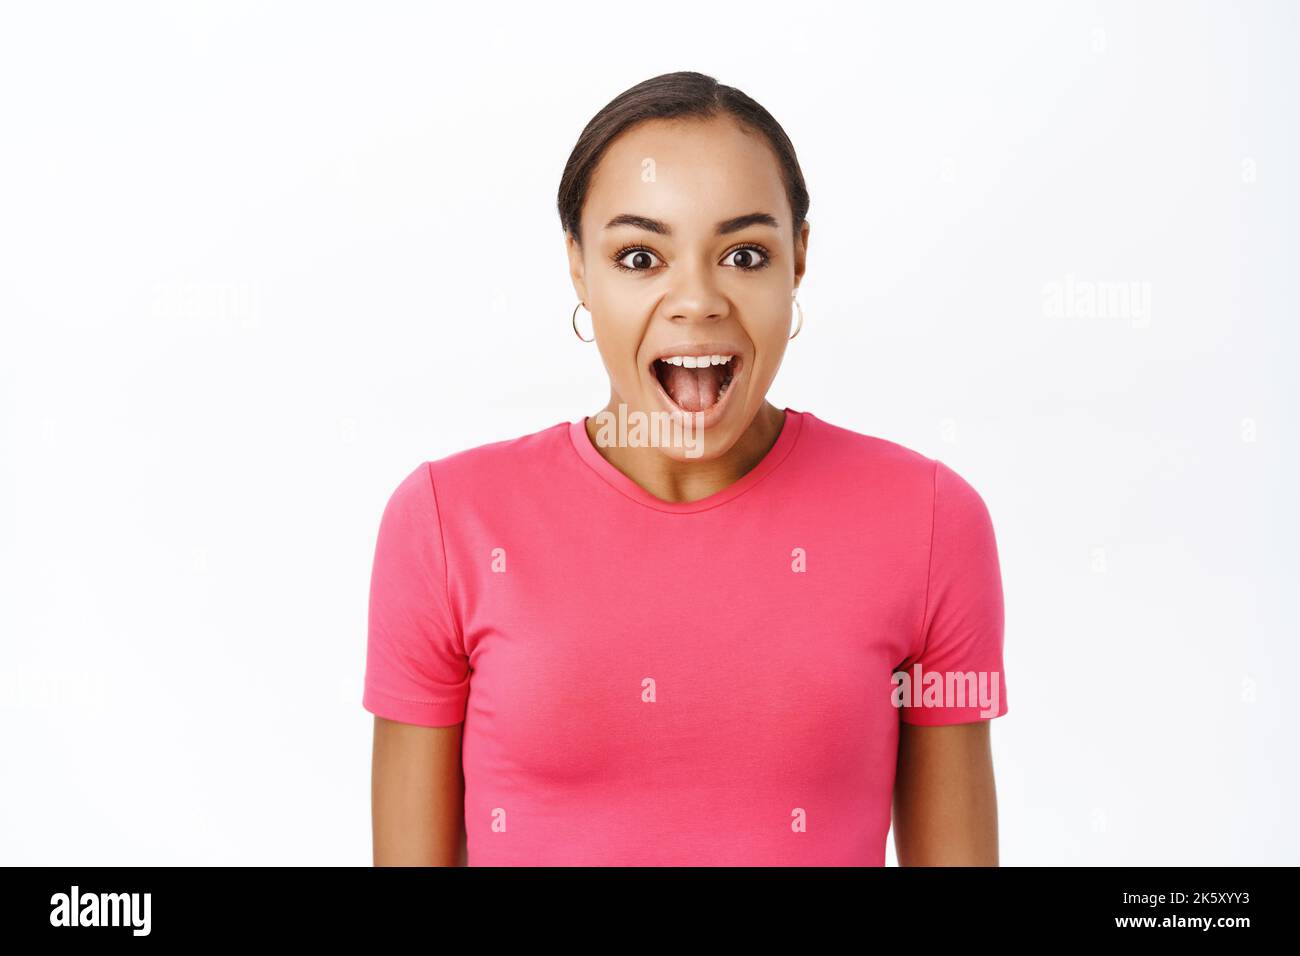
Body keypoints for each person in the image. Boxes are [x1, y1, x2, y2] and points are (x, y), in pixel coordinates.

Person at [365, 70, 1008, 866]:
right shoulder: (442, 520)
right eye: (640, 256)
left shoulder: (935, 520)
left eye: (743, 254)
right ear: (578, 267)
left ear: (799, 259)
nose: (697, 300)